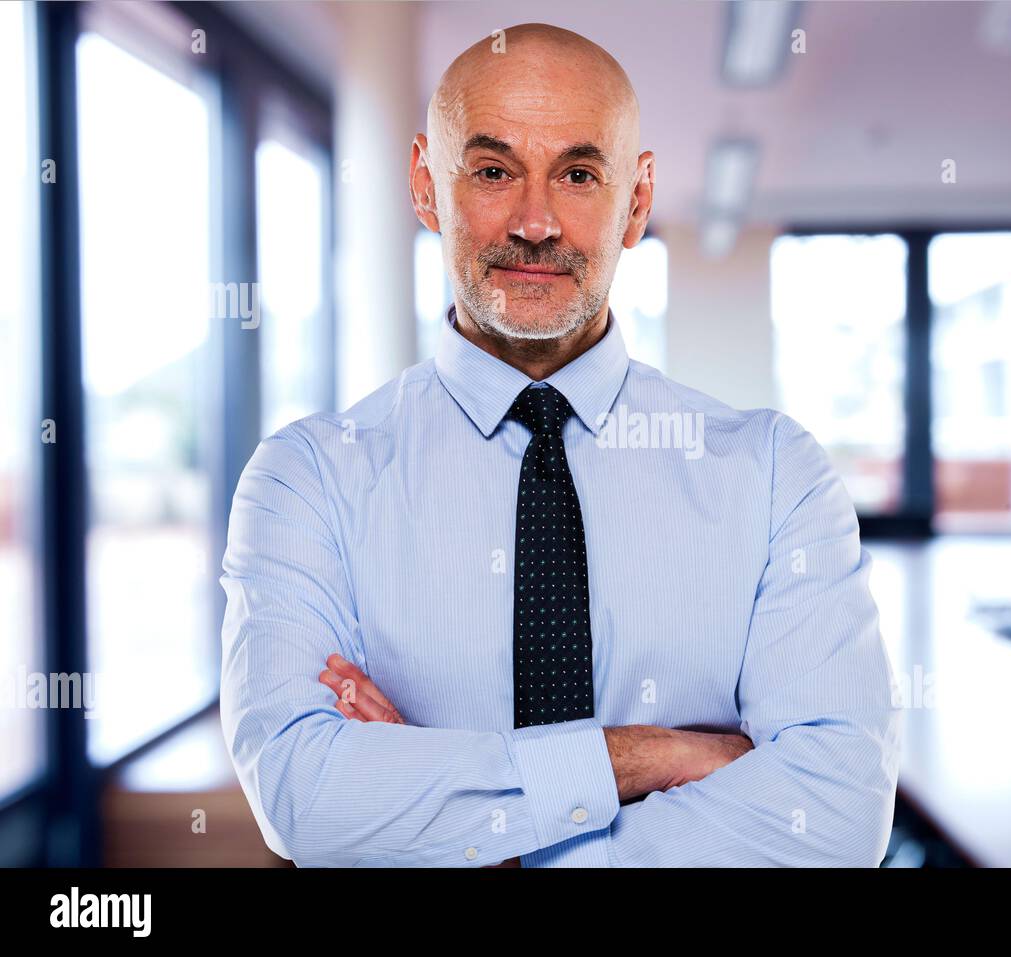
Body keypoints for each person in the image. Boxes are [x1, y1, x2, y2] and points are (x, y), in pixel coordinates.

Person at [219, 22, 902, 868]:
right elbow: (309, 799)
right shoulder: (306, 480)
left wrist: (466, 828)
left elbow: (835, 817)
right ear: (426, 185)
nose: (536, 222)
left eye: (579, 174)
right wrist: (646, 756)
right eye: (495, 170)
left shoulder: (774, 477)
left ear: (638, 201)